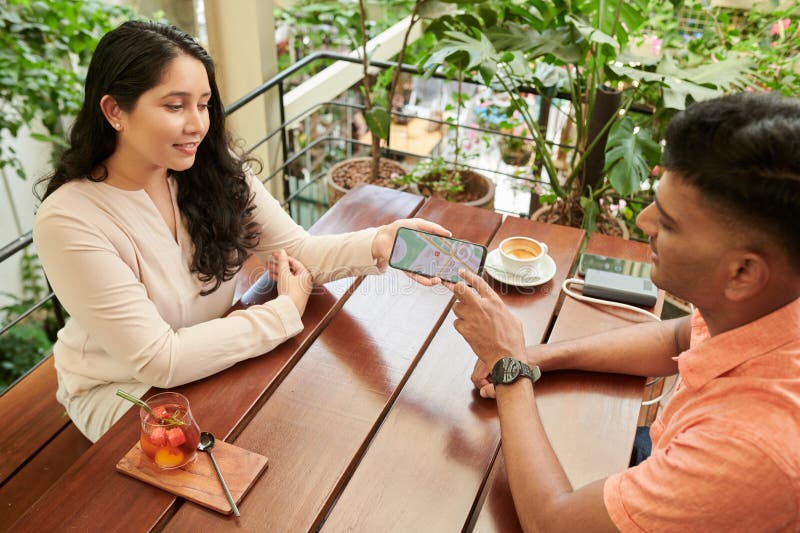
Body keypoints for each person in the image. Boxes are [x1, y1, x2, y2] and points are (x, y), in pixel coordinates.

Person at [33, 21, 447, 443]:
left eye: (204, 104)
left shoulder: (208, 167)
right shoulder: (69, 221)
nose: (197, 125)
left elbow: (297, 250)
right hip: (126, 392)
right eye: (175, 106)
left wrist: (380, 242)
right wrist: (283, 312)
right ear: (114, 110)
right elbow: (159, 359)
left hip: (216, 354)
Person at [447, 92, 800, 531]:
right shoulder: (768, 307)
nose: (643, 222)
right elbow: (676, 339)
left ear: (743, 272)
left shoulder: (748, 449)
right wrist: (541, 356)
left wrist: (508, 365)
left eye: (668, 223)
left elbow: (551, 523)